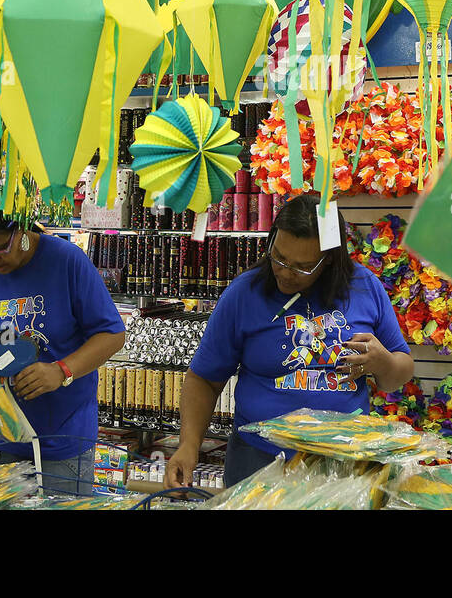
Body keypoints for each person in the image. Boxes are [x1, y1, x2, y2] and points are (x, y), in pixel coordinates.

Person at [166, 193, 414, 488]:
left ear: (330, 260)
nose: (284, 272)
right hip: (258, 461)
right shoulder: (244, 293)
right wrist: (188, 445)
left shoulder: (364, 287)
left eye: (302, 267)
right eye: (279, 257)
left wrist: (383, 363)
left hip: (344, 461)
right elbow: (204, 379)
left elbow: (400, 371)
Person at [0, 216, 126, 495]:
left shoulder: (66, 261)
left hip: (61, 438)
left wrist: (61, 370)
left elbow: (112, 334)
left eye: (0, 249)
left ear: (22, 230)